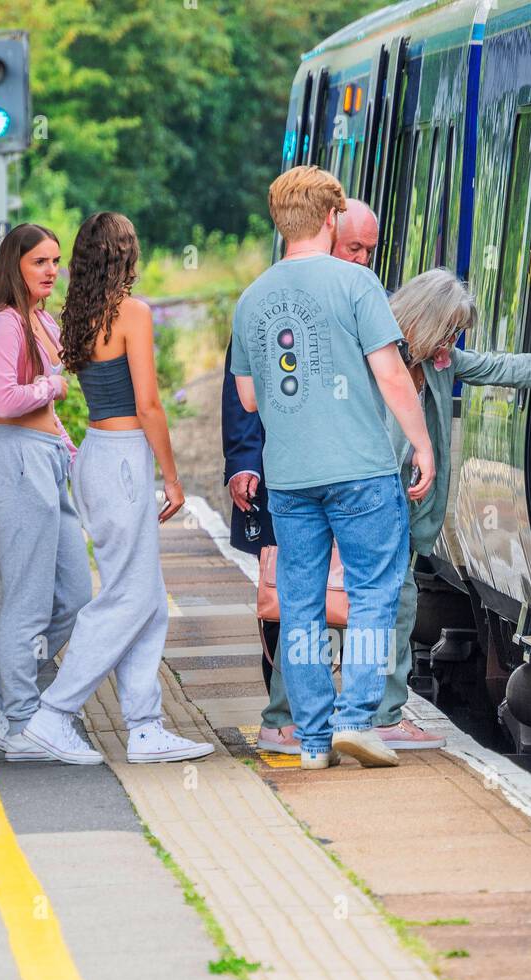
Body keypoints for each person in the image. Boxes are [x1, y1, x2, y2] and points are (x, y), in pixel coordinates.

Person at [231, 167, 434, 770]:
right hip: (361, 470)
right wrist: (421, 445)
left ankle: (313, 740)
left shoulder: (252, 297)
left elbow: (246, 398)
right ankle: (355, 719)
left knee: (300, 599)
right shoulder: (357, 283)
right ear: (330, 220)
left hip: (289, 476)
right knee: (373, 591)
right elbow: (393, 374)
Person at [22, 212, 213, 766]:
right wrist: (172, 478)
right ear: (126, 255)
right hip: (126, 461)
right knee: (128, 598)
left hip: (96, 456)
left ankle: (145, 726)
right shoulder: (132, 312)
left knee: (147, 600)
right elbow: (149, 404)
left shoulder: (77, 315)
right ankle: (54, 712)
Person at [221, 199, 380, 740]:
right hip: (290, 474)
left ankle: (325, 722)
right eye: (353, 247)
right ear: (328, 232)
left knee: (326, 597)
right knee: (295, 597)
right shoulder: (270, 295)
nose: (361, 259)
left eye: (369, 251)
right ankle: (287, 716)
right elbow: (239, 386)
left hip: (341, 471)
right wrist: (243, 462)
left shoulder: (355, 292)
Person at [376, 266, 531, 731]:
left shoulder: (442, 362)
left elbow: (499, 368)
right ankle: (376, 711)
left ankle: (382, 711)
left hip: (403, 506)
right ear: (423, 320)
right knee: (385, 603)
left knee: (396, 603)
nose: (452, 342)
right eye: (448, 330)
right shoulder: (375, 355)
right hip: (368, 498)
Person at [0, 223, 93, 763]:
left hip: (43, 462)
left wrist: (73, 455)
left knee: (76, 598)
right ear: (15, 264)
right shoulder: (3, 323)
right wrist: (52, 384)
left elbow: (45, 413)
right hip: (12, 465)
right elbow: (5, 399)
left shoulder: (41, 321)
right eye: (41, 262)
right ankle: (19, 722)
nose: (52, 271)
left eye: (56, 261)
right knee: (28, 602)